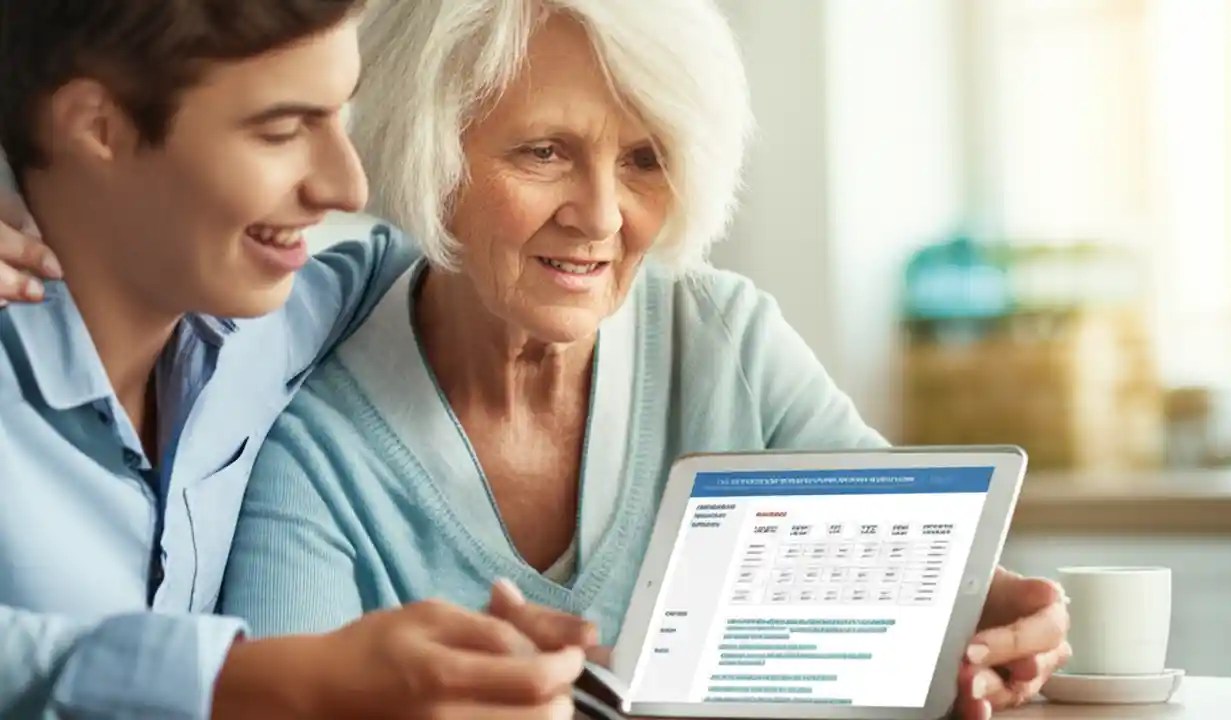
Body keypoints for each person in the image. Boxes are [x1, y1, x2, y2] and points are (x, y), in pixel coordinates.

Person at [217, 1, 1071, 718]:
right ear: (427, 152)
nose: (600, 216)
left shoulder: (724, 338)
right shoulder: (317, 439)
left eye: (643, 160)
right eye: (544, 152)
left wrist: (984, 619)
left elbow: (907, 571)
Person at [0, 2, 588, 718]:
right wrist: (276, 681)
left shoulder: (277, 321)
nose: (347, 187)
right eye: (281, 131)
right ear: (99, 127)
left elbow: (471, 249)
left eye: (339, 115)